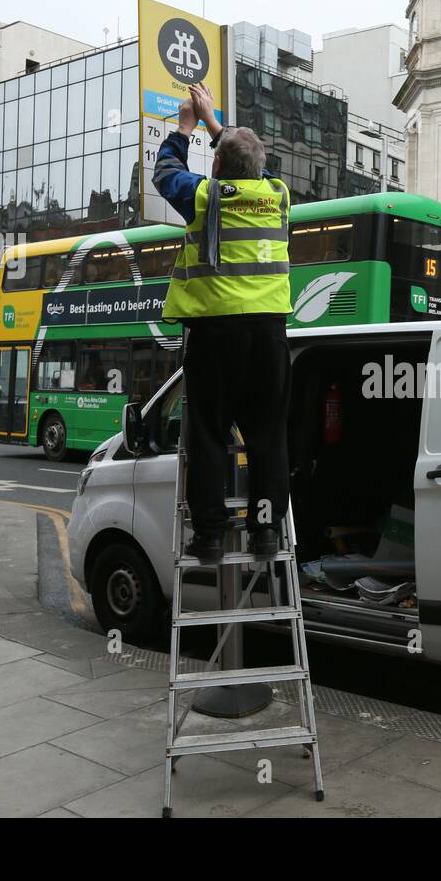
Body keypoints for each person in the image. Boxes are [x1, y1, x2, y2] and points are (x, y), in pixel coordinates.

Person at [153, 81, 291, 564]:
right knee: (268, 434)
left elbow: (165, 173)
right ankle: (267, 532)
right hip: (270, 333)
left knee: (209, 434)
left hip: (217, 332)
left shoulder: (206, 196)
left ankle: (210, 537)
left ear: (216, 167)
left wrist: (183, 129)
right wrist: (216, 127)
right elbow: (255, 166)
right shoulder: (277, 194)